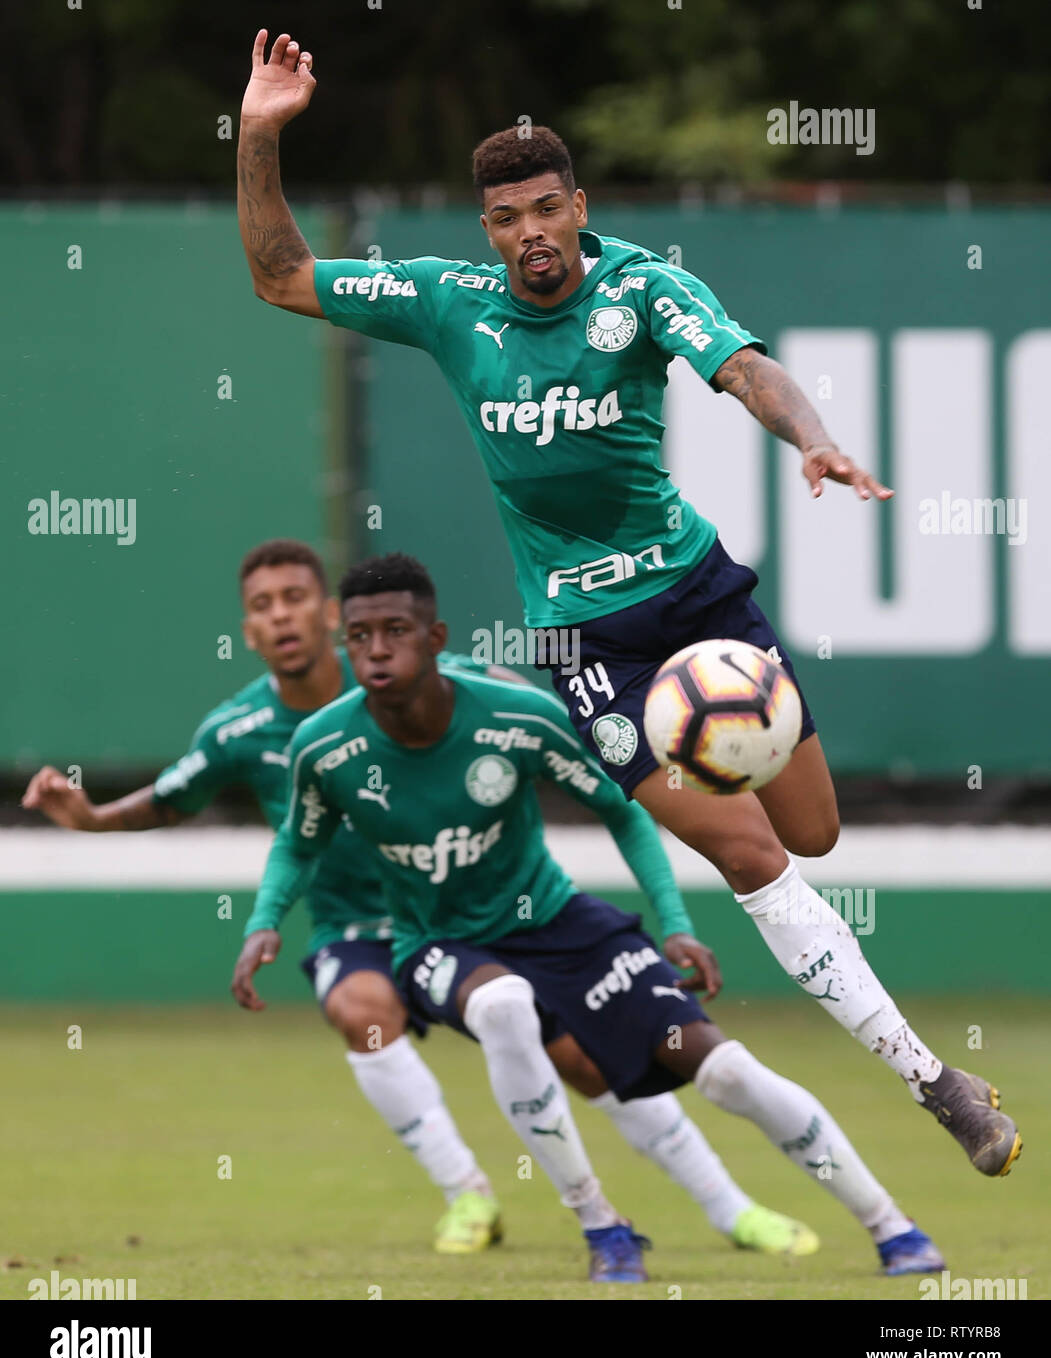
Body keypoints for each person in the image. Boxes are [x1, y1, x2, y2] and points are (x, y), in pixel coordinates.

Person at [233, 32, 1020, 1180]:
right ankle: (933, 1080)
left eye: (547, 208)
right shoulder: (449, 305)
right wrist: (259, 136)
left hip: (700, 597)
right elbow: (276, 274)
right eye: (507, 218)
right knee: (751, 850)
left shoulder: (643, 286)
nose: (530, 233)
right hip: (584, 640)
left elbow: (745, 368)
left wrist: (818, 441)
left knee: (812, 832)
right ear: (487, 228)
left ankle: (895, 1034)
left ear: (577, 204)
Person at [21, 537, 818, 1270]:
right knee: (360, 1007)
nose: (280, 616)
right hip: (361, 934)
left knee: (584, 1060)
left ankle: (731, 1208)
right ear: (250, 633)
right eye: (261, 608)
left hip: (478, 922)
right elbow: (170, 799)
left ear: (331, 617)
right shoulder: (241, 729)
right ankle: (468, 1193)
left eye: (294, 597)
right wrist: (90, 817)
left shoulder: (445, 683)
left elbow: (549, 740)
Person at [242, 550, 945, 1282]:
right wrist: (265, 920)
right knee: (504, 1006)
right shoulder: (323, 745)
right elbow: (298, 842)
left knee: (725, 1073)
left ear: (436, 636)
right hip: (437, 941)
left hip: (556, 924)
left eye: (396, 630)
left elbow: (624, 812)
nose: (377, 650)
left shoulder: (516, 715)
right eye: (360, 636)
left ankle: (891, 1227)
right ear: (344, 641)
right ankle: (601, 1223)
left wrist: (672, 921)